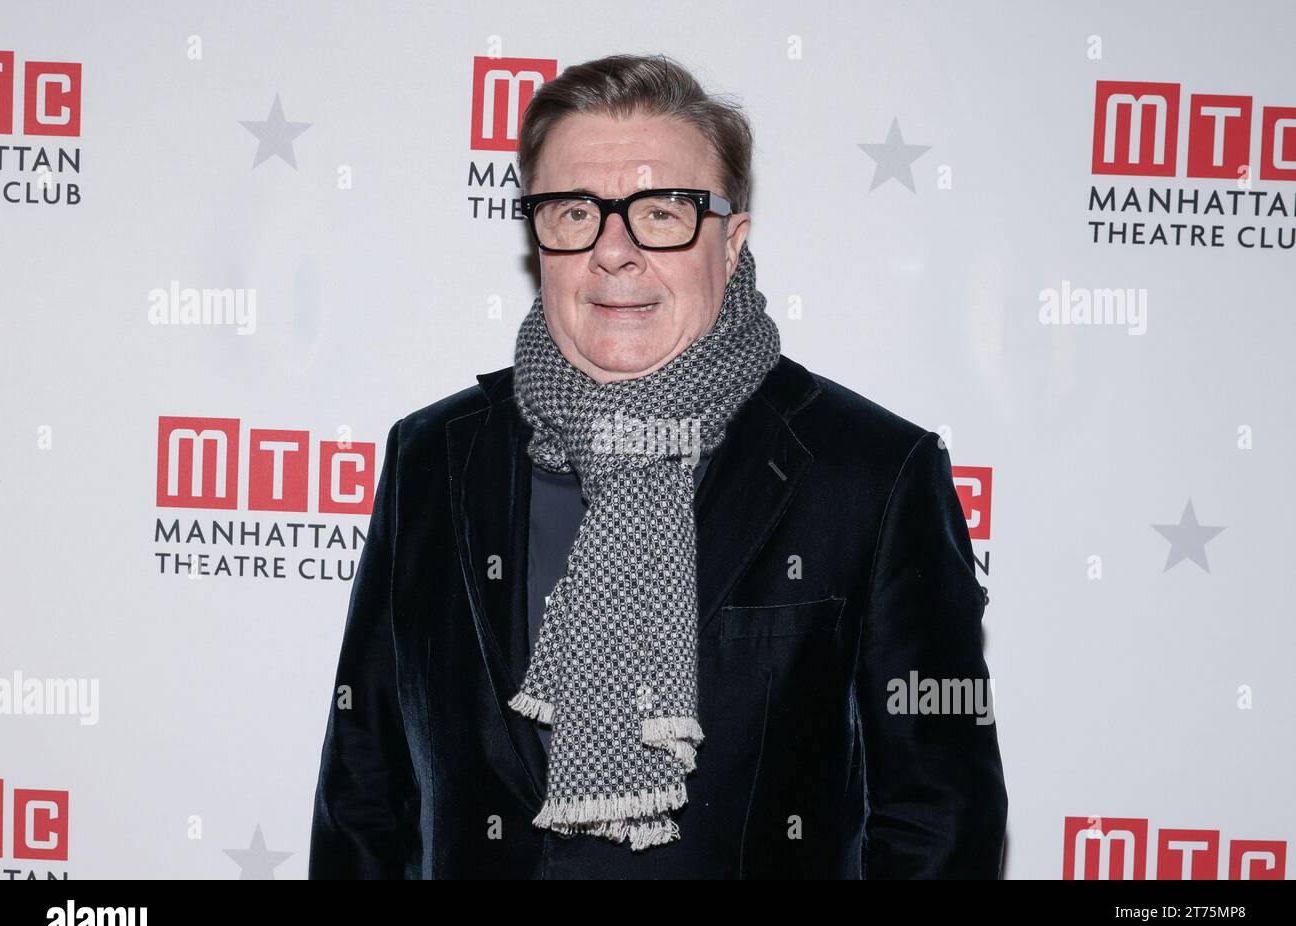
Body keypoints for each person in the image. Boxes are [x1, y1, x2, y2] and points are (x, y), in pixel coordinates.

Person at [309, 53, 1007, 878]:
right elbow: (365, 785)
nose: (615, 251)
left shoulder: (871, 474)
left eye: (663, 212)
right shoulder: (433, 457)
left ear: (732, 240)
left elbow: (940, 819)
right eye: (575, 212)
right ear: (539, 237)